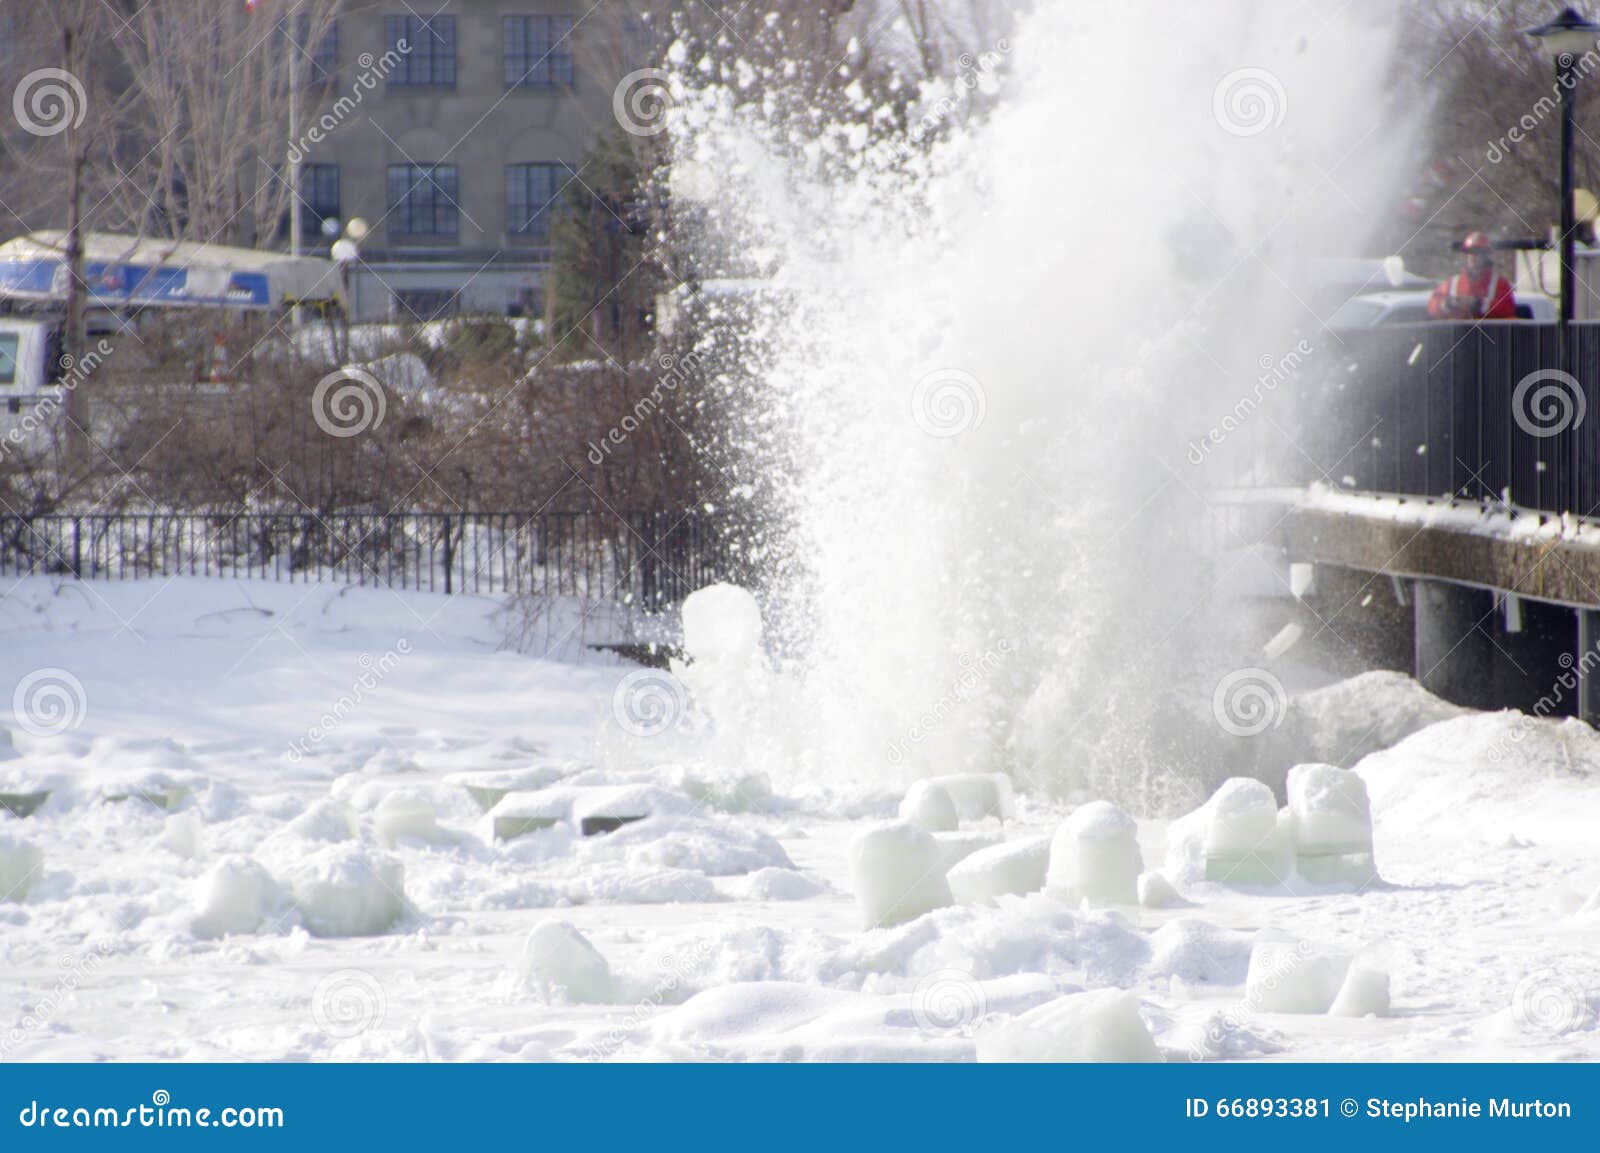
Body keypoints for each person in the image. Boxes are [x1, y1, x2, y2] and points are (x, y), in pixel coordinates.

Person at [1428, 231, 1516, 320]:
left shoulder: (1499, 284)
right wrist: (1448, 304)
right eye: (1470, 252)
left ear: (1486, 255)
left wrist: (1478, 304)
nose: (1474, 256)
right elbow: (1433, 307)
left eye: (1478, 252)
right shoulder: (1452, 283)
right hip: (1458, 333)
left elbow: (1507, 308)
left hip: (1489, 333)